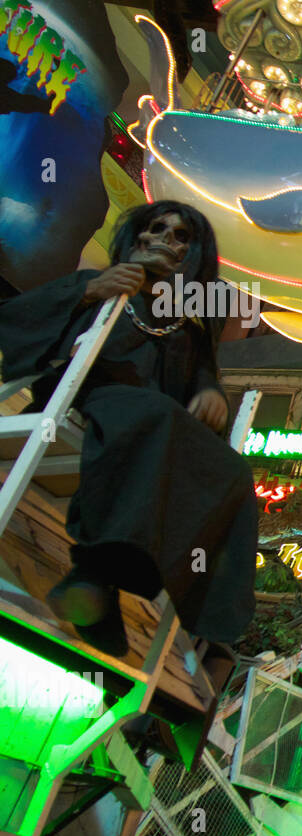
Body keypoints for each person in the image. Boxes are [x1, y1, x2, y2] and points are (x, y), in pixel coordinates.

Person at [0, 200, 257, 656]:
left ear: (191, 256)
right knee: (156, 416)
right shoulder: (97, 283)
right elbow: (18, 322)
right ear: (138, 235)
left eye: (181, 236)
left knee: (234, 471)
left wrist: (211, 392)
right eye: (157, 229)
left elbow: (200, 376)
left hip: (154, 425)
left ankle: (191, 620)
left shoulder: (190, 323)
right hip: (93, 398)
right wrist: (90, 292)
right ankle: (97, 579)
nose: (165, 240)